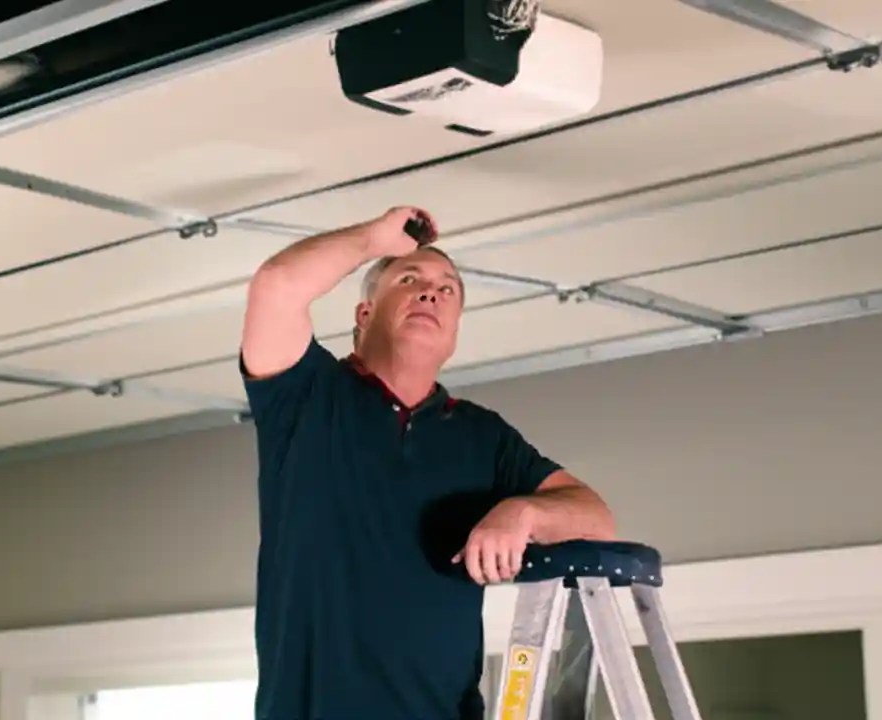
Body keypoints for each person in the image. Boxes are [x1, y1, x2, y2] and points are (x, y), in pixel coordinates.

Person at [239, 206, 617, 719]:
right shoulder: (307, 397)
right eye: (409, 277)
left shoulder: (482, 436)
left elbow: (595, 519)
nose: (430, 293)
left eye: (448, 289)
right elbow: (277, 284)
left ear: (455, 329)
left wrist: (523, 513)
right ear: (365, 314)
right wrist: (375, 239)